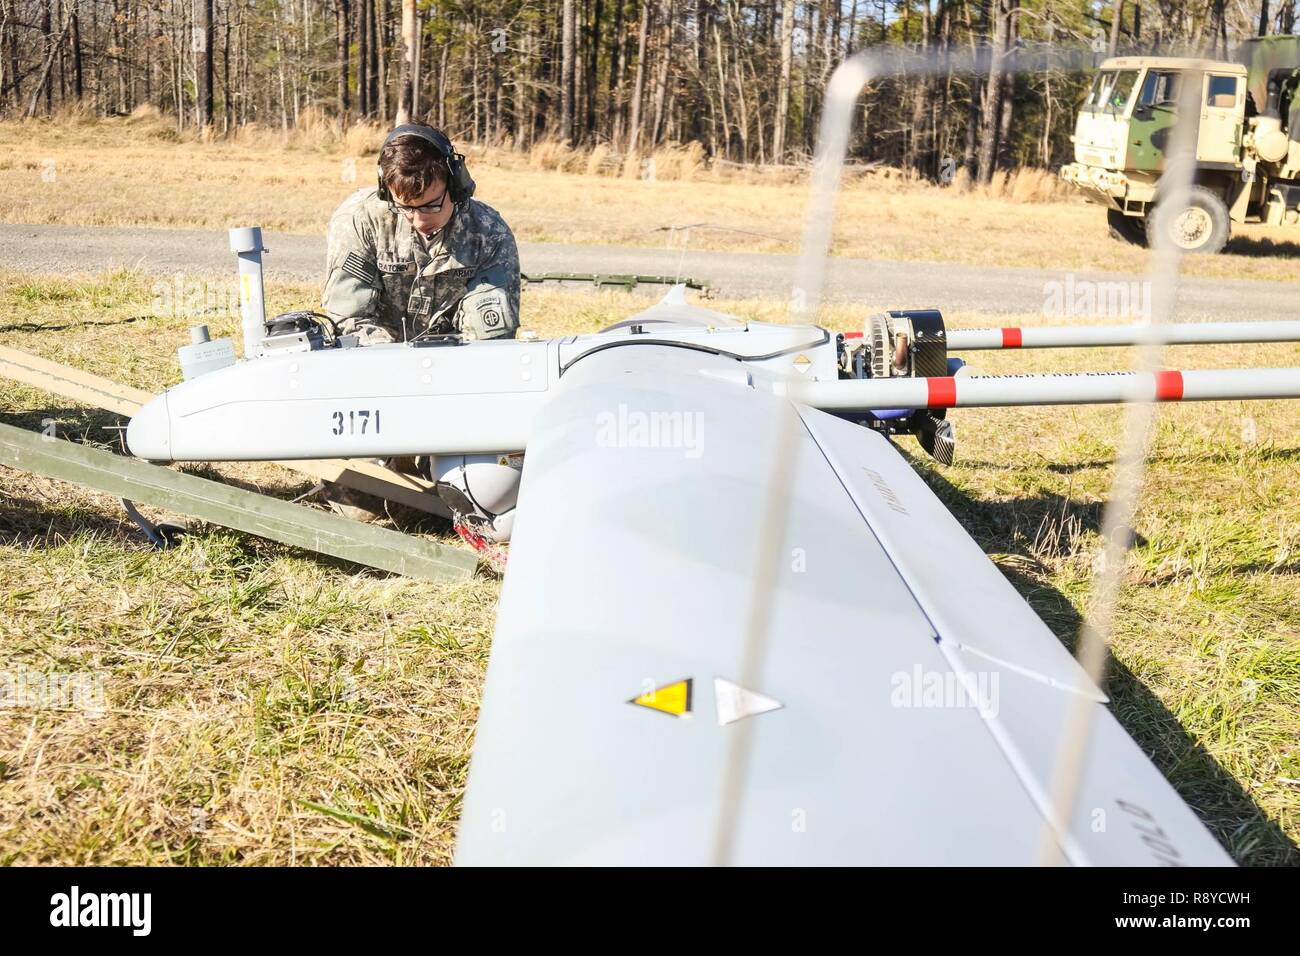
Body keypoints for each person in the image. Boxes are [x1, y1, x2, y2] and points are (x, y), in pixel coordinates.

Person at [321, 123, 520, 344]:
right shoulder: (359, 222)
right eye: (405, 207)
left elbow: (489, 337)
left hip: (454, 365)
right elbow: (350, 322)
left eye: (430, 206)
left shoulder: (489, 234)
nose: (419, 220)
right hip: (378, 364)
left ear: (455, 187)